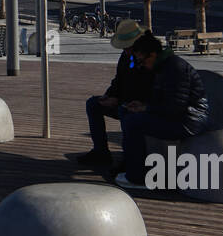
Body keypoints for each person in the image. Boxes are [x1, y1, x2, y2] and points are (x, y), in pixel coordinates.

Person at [114, 31, 210, 189]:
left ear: (152, 55)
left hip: (190, 121)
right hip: (179, 115)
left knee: (133, 123)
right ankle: (131, 165)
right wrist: (141, 106)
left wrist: (146, 108)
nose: (141, 65)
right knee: (127, 112)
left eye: (142, 61)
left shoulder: (174, 68)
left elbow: (175, 107)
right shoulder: (163, 66)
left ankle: (138, 177)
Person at [78, 20, 152, 168]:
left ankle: (130, 158)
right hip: (123, 101)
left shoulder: (150, 58)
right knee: (93, 104)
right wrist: (110, 95)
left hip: (144, 106)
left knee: (126, 112)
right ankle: (101, 152)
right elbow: (118, 80)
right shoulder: (126, 56)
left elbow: (150, 88)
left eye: (127, 47)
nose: (125, 50)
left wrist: (123, 101)